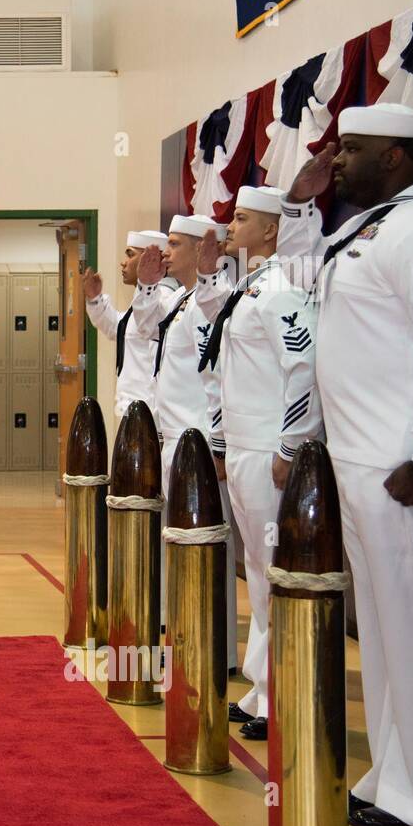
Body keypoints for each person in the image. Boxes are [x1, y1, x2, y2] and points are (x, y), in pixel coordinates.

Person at [279, 103, 413, 826]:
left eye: (353, 149)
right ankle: (395, 778)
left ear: (397, 155)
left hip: (401, 469)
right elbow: (301, 275)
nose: (339, 160)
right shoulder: (372, 227)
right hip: (361, 463)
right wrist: (301, 198)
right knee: (388, 636)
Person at [192, 185, 321, 741]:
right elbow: (222, 371)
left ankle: (284, 694)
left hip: (270, 449)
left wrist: (290, 446)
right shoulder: (247, 288)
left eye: (241, 218)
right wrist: (223, 441)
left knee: (275, 573)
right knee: (258, 575)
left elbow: (304, 363)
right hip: (244, 447)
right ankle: (263, 684)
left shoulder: (279, 291)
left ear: (271, 230)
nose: (231, 226)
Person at [133, 214, 238, 669]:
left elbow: (216, 377)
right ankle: (186, 638)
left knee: (207, 548)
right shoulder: (185, 300)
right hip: (174, 439)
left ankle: (215, 652)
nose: (166, 251)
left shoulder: (211, 303)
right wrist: (148, 285)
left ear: (202, 249)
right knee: (181, 545)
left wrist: (217, 444)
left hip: (197, 444)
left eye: (175, 244)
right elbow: (140, 328)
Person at [81, 231, 173, 418]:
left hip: (149, 413)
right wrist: (95, 300)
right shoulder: (142, 302)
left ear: (151, 260)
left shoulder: (163, 299)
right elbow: (118, 328)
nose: (123, 262)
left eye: (130, 254)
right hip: (134, 410)